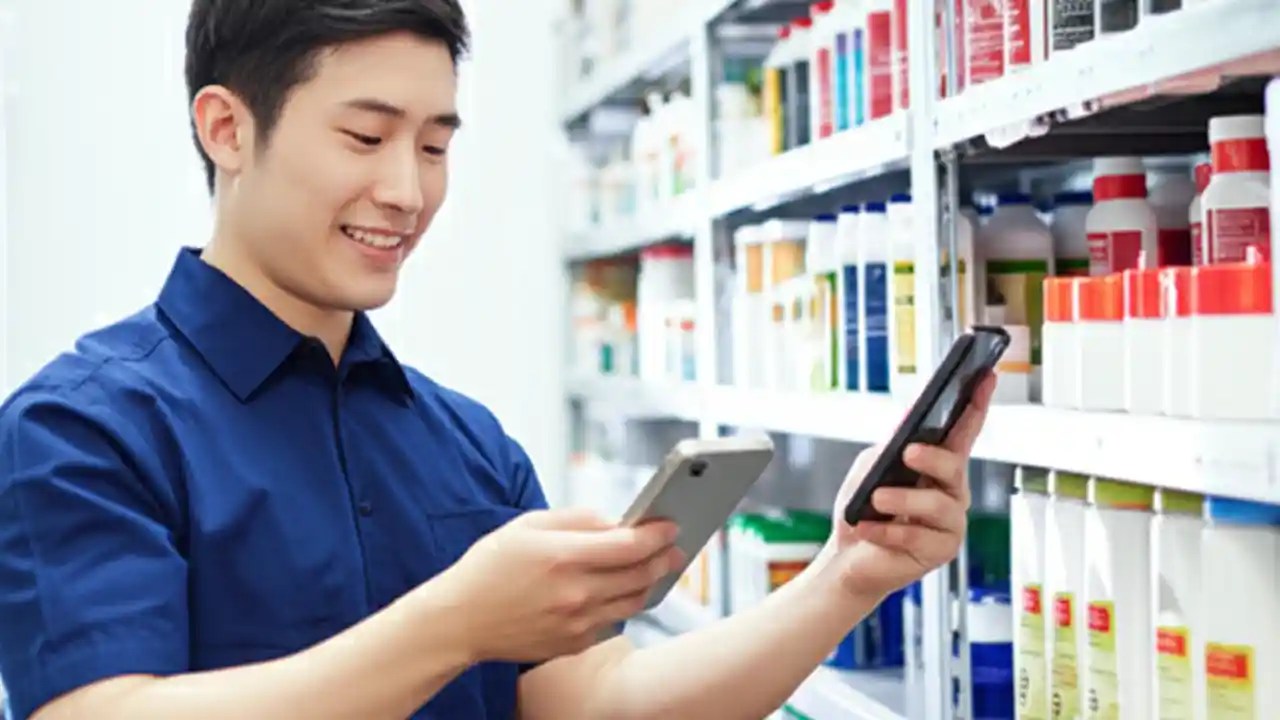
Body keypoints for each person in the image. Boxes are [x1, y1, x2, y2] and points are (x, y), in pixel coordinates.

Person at [0, 1, 996, 718]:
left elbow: (593, 702)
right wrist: (456, 623)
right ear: (226, 129)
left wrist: (847, 575)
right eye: (364, 135)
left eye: (434, 147)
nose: (405, 190)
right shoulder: (84, 429)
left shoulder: (463, 442)